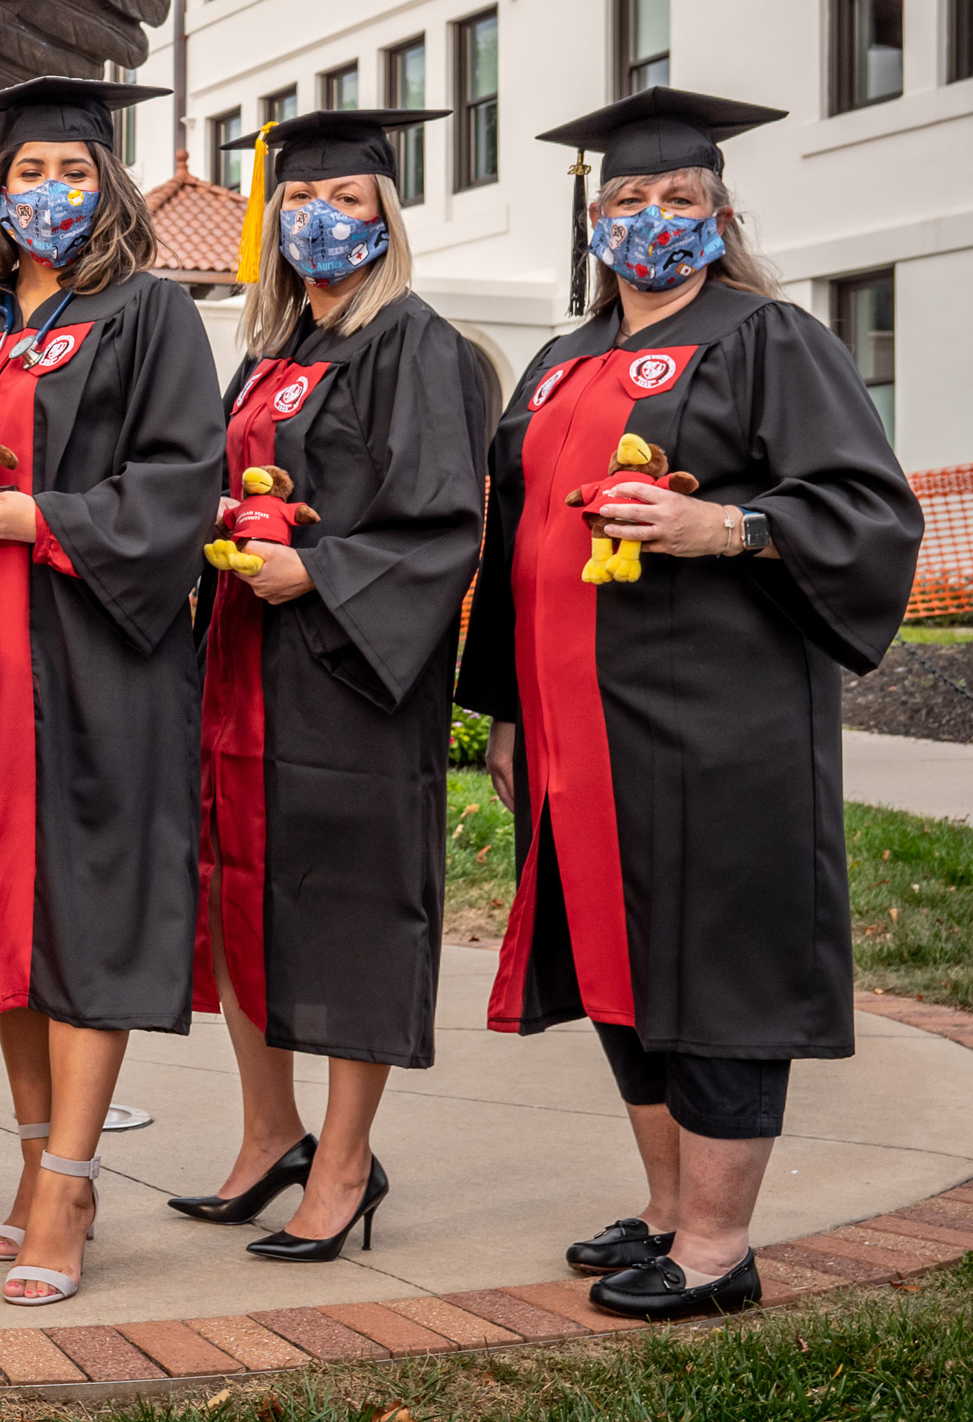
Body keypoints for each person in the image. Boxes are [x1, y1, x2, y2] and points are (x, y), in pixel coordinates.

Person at [458, 87, 920, 1320]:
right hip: (577, 729)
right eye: (625, 199)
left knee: (710, 966)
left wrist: (724, 524)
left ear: (718, 210)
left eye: (677, 198)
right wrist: (504, 707)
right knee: (620, 963)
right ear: (592, 218)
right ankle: (665, 1210)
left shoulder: (768, 336)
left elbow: (869, 511)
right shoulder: (562, 360)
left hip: (715, 722)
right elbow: (511, 545)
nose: (650, 217)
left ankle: (718, 1248)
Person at [0, 74, 224, 1307]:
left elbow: (184, 477)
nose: (49, 194)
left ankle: (72, 1181)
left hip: (91, 658)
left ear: (108, 183)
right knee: (2, 930)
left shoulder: (146, 314)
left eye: (72, 172)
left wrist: (44, 518)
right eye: (27, 174)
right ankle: (31, 1166)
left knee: (86, 925)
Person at [164, 110, 490, 1262]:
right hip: (245, 667)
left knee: (349, 916)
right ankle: (271, 1137)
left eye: (349, 202)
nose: (321, 221)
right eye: (303, 203)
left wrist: (323, 569)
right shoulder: (271, 352)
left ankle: (346, 1166)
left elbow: (446, 524)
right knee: (240, 901)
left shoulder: (423, 348)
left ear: (387, 217)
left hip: (349, 677)